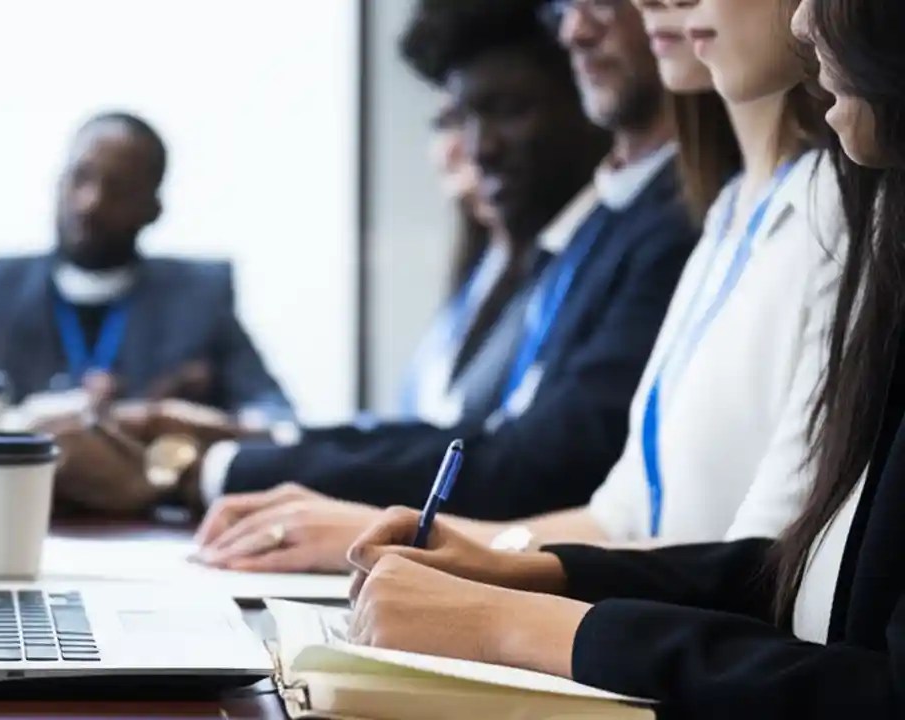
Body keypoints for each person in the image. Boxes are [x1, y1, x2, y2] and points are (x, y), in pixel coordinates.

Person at [346, 0, 905, 715]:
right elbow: (794, 573)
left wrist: (514, 620)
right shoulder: (732, 211)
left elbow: (867, 679)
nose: (803, 22)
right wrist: (518, 572)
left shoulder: (844, 214)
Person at [193, 0, 700, 571]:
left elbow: (543, 464)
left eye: (508, 111)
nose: (479, 149)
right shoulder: (590, 237)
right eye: (458, 120)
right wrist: (251, 450)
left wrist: (230, 468)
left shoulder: (669, 224)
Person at [0, 112, 293, 423]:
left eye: (118, 189)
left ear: (153, 210)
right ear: (59, 182)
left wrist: (189, 421)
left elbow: (273, 413)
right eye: (81, 177)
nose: (91, 203)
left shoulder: (198, 302)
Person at [397, 1, 554, 427]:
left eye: (502, 112)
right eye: (450, 123)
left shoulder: (552, 270)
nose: (470, 146)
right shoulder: (474, 278)